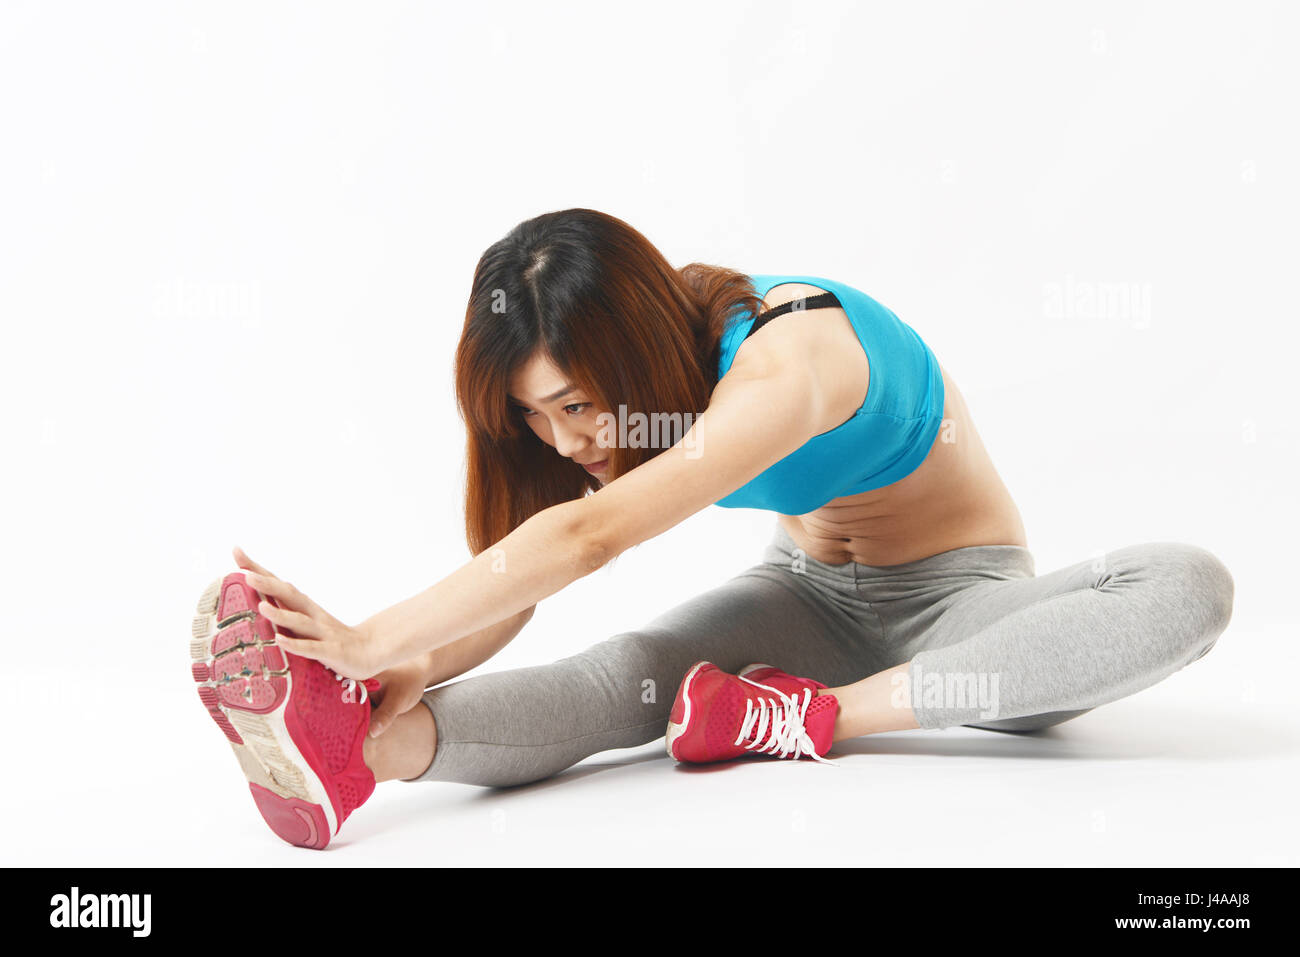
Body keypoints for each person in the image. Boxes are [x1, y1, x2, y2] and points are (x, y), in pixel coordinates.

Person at [189, 208, 1235, 849]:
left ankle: (808, 720)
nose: (564, 442)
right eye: (533, 417)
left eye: (577, 404)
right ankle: (358, 754)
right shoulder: (601, 417)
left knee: (1184, 583)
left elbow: (590, 540)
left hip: (963, 610)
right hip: (807, 601)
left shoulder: (789, 359)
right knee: (629, 671)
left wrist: (372, 634)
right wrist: (393, 675)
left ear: (637, 354)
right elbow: (532, 568)